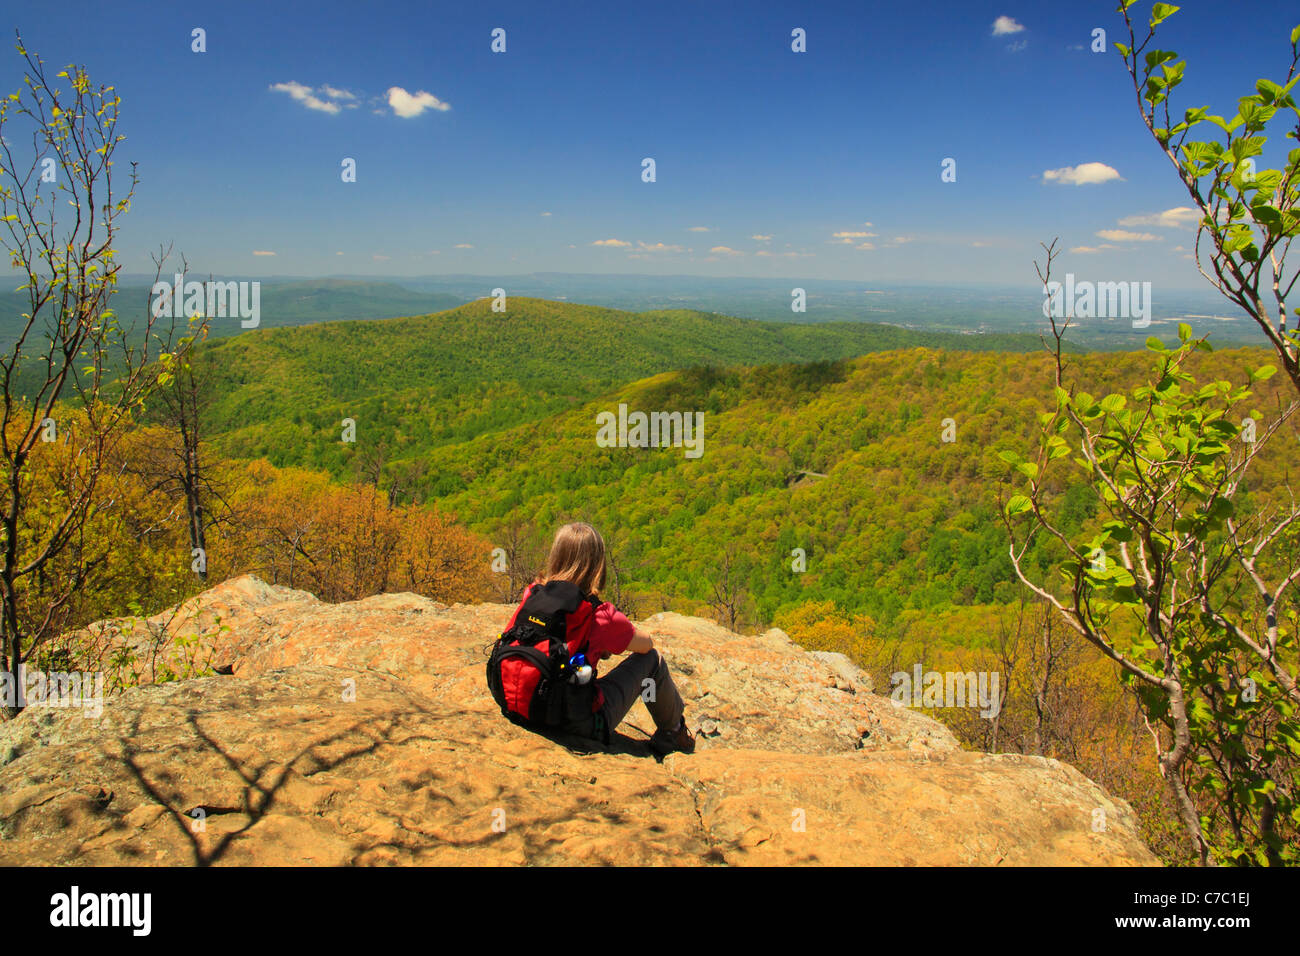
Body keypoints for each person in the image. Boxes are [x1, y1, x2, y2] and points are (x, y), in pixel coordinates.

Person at [502, 522, 695, 755]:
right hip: (576, 723)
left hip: (520, 704)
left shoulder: (532, 593)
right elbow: (646, 645)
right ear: (597, 566)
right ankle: (673, 732)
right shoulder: (599, 614)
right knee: (653, 662)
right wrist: (608, 643)